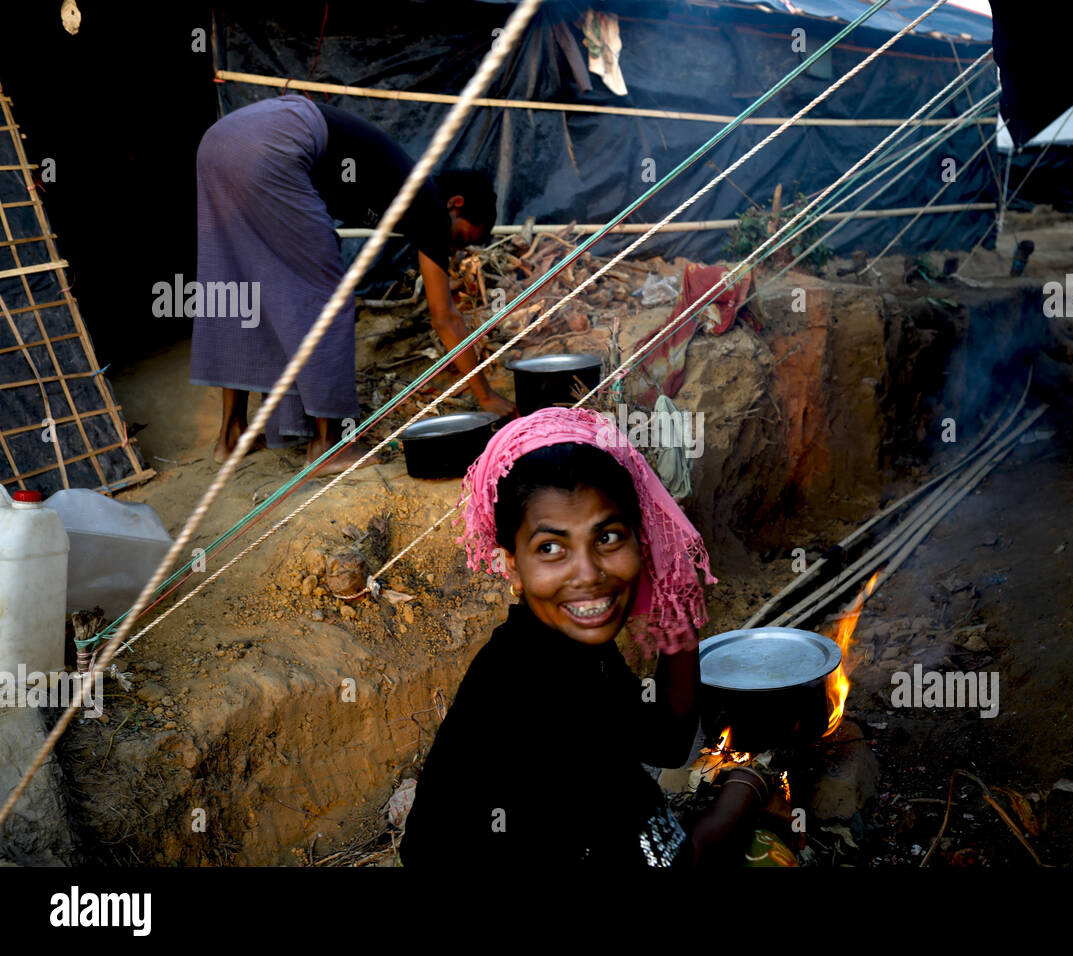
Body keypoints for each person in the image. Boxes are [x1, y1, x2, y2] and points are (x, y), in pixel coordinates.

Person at [399, 408, 777, 867]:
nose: (589, 574)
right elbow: (675, 859)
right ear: (512, 564)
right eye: (551, 547)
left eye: (609, 537)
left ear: (642, 542)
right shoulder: (542, 694)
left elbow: (665, 744)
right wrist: (749, 786)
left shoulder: (560, 650)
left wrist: (678, 628)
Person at [189, 94, 515, 475]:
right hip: (275, 141)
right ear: (455, 205)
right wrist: (487, 396)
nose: (454, 252)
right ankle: (328, 447)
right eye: (461, 240)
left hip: (221, 139)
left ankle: (232, 437)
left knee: (247, 288)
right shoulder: (428, 204)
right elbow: (445, 318)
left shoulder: (401, 187)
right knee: (328, 298)